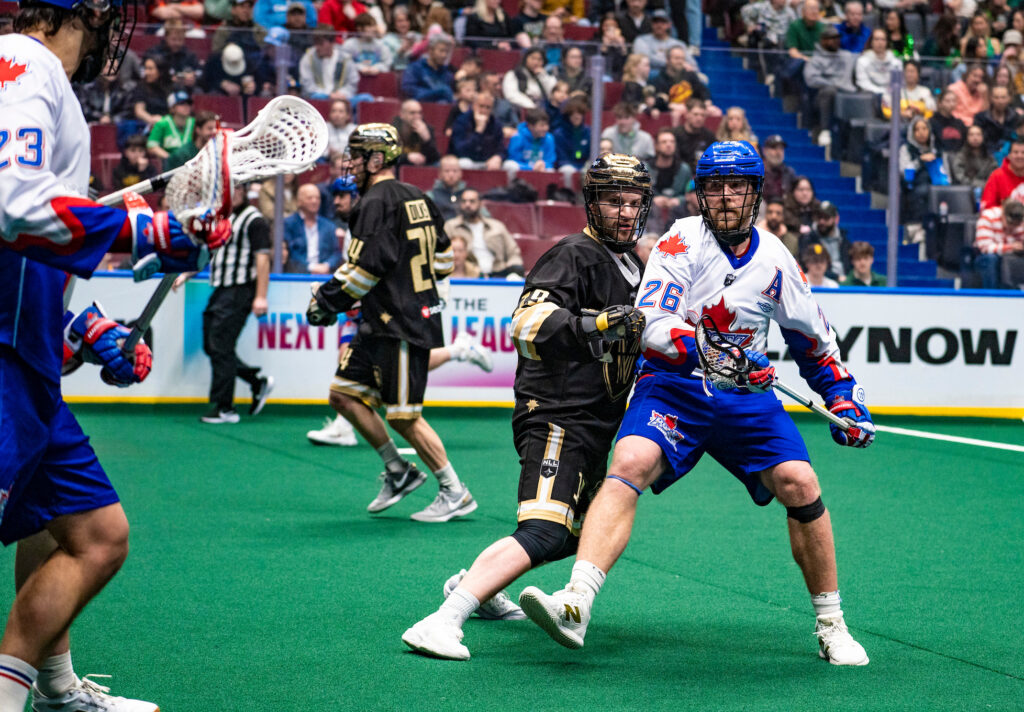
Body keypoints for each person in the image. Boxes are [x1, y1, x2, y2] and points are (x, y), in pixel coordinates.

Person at [516, 141, 875, 667]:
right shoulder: (680, 239)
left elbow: (815, 342)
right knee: (630, 461)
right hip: (675, 385)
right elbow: (652, 323)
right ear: (700, 193)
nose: (726, 197)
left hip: (744, 397)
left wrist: (842, 398)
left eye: (737, 187)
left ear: (756, 193)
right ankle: (576, 602)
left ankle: (831, 624)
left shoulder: (776, 258)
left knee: (801, 484)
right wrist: (717, 353)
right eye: (715, 186)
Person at [0, 0, 229, 708]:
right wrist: (149, 231)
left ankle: (48, 687)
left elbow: (30, 249)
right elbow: (13, 204)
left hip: (28, 361)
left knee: (93, 535)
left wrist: (84, 329)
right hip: (5, 364)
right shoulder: (24, 64)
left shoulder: (37, 80)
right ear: (84, 12)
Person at [401, 153, 650, 661]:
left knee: (574, 536)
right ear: (592, 203)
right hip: (559, 415)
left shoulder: (633, 265)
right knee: (546, 529)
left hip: (596, 422)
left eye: (633, 202)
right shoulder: (573, 253)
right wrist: (596, 324)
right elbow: (525, 324)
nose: (625, 212)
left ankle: (476, 585)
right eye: (613, 201)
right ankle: (442, 621)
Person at [306, 124, 476, 522]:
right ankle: (399, 471)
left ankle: (455, 492)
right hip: (386, 319)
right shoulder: (419, 196)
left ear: (377, 159)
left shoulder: (373, 202)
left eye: (357, 155)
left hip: (398, 321)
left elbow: (364, 269)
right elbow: (444, 261)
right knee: (343, 395)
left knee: (403, 415)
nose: (351, 163)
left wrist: (325, 302)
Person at [186, 183, 273, 424]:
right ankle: (256, 382)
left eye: (235, 189)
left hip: (241, 289)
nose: (230, 194)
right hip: (221, 288)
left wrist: (261, 296)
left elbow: (263, 259)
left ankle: (225, 408)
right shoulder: (222, 218)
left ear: (244, 191)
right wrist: (186, 273)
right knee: (212, 344)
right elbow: (209, 252)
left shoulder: (254, 220)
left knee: (221, 345)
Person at [443, 189, 524, 278]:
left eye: (472, 201)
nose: (467, 204)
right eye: (464, 201)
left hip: (498, 275)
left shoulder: (497, 226)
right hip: (467, 276)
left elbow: (513, 252)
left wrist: (513, 268)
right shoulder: (450, 227)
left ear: (481, 204)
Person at [802, 24, 857, 147]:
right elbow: (810, 79)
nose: (836, 41)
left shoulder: (847, 56)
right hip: (823, 97)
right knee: (829, 91)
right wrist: (832, 84)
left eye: (837, 38)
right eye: (831, 38)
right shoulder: (816, 59)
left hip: (847, 94)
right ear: (823, 41)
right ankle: (825, 130)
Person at [283, 183, 345, 274]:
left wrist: (327, 265)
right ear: (299, 201)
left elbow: (336, 253)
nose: (314, 201)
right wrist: (311, 267)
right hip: (296, 276)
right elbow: (290, 253)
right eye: (310, 198)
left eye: (317, 198)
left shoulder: (329, 226)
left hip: (324, 275)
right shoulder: (288, 224)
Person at [298, 25, 359, 100]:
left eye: (320, 44)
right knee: (317, 96)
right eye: (315, 43)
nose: (317, 47)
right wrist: (328, 95)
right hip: (319, 98)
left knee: (366, 98)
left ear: (332, 43)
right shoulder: (308, 58)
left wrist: (342, 93)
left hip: (342, 98)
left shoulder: (345, 58)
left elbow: (352, 83)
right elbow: (307, 85)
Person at [974, 197, 1024, 288]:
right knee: (990, 258)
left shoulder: (1021, 221)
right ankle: (991, 294)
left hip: (1013, 257)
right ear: (1003, 215)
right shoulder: (988, 217)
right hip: (989, 257)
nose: (1012, 227)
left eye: (1016, 225)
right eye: (1010, 224)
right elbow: (985, 248)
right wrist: (1010, 247)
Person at [449, 91, 506, 170]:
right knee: (464, 163)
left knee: (509, 165)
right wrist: (478, 130)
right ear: (474, 106)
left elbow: (501, 149)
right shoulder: (461, 121)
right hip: (467, 160)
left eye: (488, 107)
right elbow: (460, 150)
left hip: (487, 162)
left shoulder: (496, 124)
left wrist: (498, 157)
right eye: (481, 106)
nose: (484, 110)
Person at [801, 201, 851, 280]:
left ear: (836, 219)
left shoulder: (843, 239)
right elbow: (806, 266)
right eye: (819, 217)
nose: (822, 221)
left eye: (826, 218)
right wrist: (836, 277)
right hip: (819, 281)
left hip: (845, 282)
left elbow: (849, 265)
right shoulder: (808, 239)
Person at [400, 32, 455, 103]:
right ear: (430, 50)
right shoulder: (415, 68)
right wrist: (436, 93)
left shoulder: (446, 72)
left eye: (446, 52)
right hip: (421, 107)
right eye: (441, 51)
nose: (444, 55)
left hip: (443, 108)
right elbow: (409, 91)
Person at [503, 108, 556, 173]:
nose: (546, 128)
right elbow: (514, 159)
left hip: (541, 170)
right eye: (542, 125)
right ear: (531, 126)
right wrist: (531, 168)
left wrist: (543, 165)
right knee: (509, 165)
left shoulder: (549, 138)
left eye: (547, 124)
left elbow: (550, 161)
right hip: (522, 170)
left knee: (551, 170)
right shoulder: (518, 137)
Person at [392, 99, 441, 168]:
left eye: (419, 113)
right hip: (399, 167)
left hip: (420, 167)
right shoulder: (393, 130)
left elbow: (435, 159)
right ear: (402, 114)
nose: (417, 116)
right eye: (412, 113)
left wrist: (427, 139)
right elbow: (389, 156)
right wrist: (407, 157)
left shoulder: (427, 129)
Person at [950, 124, 998, 191]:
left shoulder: (989, 157)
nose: (975, 138)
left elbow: (994, 175)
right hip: (966, 191)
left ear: (982, 137)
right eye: (971, 135)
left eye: (978, 134)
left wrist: (987, 184)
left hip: (987, 190)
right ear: (967, 137)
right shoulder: (960, 157)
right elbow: (960, 177)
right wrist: (979, 184)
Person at [981, 138, 1024, 209]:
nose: (1020, 156)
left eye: (1023, 153)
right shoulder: (997, 176)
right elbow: (987, 206)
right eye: (1016, 152)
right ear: (1009, 155)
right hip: (1003, 215)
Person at [427, 155, 468, 222]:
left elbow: (484, 217)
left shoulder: (469, 194)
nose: (451, 175)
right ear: (440, 173)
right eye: (447, 171)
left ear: (460, 173)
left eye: (455, 171)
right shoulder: (431, 196)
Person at [761, 134, 797, 202]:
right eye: (774, 148)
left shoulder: (789, 173)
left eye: (781, 148)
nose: (778, 152)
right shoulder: (756, 171)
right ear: (764, 150)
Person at [930, 89, 968, 154]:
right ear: (939, 103)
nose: (951, 104)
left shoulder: (959, 123)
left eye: (954, 101)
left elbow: (964, 143)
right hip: (939, 156)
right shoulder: (932, 122)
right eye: (948, 101)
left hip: (958, 157)